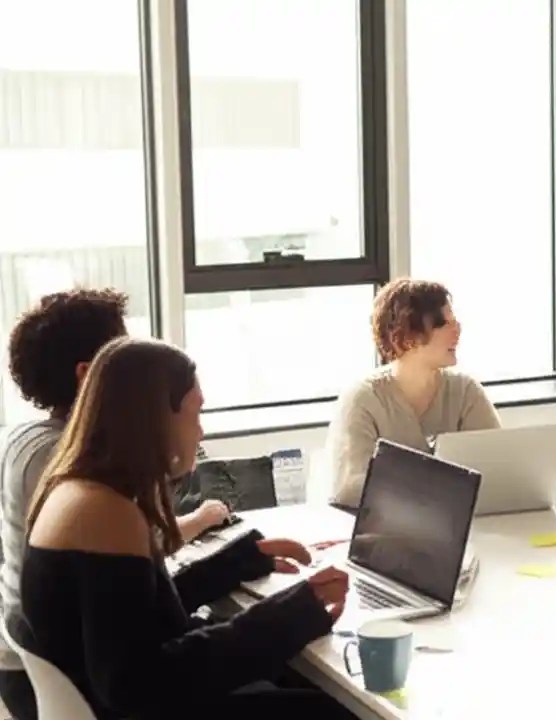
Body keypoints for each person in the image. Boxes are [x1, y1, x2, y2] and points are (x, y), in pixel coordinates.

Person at [15, 337, 355, 719]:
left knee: (294, 679)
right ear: (157, 419)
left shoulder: (77, 491)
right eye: (195, 413)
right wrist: (292, 613)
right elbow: (139, 682)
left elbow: (136, 614)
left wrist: (241, 562)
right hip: (137, 707)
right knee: (334, 707)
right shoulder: (105, 512)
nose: (200, 432)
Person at [0, 289, 228, 720]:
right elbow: (132, 672)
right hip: (57, 679)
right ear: (91, 375)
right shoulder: (71, 469)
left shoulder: (30, 439)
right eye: (119, 357)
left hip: (55, 661)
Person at [327, 279, 499, 508]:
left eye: (455, 321)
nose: (457, 330)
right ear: (407, 335)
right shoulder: (363, 399)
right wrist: (438, 488)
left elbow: (498, 467)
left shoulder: (466, 392)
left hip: (465, 528)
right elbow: (348, 488)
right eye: (443, 323)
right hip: (386, 534)